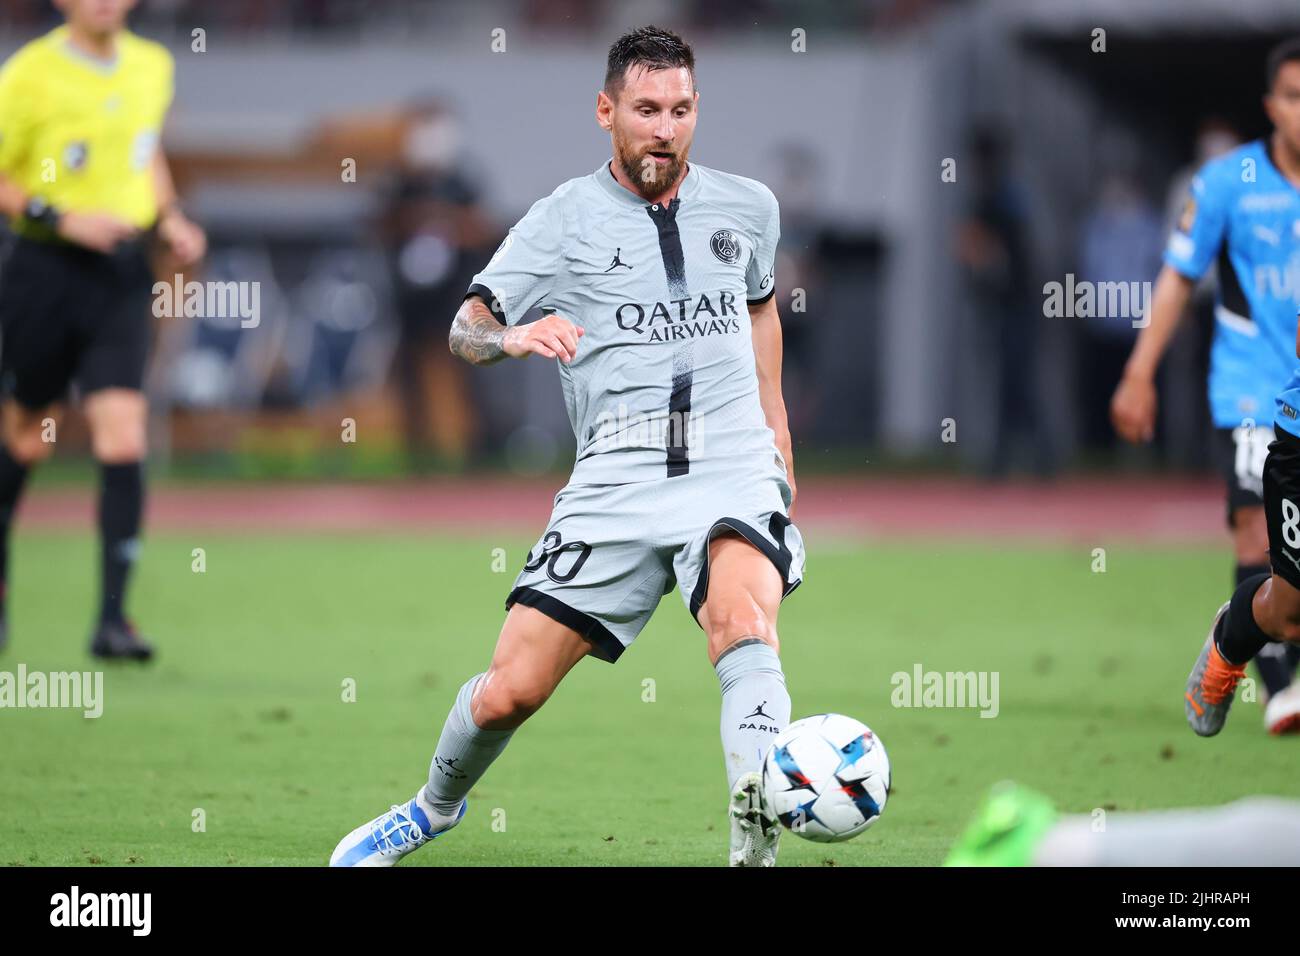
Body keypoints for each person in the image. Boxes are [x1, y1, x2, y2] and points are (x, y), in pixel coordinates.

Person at [332, 25, 803, 867]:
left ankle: (752, 855)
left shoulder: (750, 207)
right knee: (508, 693)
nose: (665, 127)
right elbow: (466, 327)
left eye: (682, 109)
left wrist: (777, 433)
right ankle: (432, 809)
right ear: (606, 110)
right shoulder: (560, 219)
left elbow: (761, 308)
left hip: (732, 467)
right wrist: (513, 339)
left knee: (741, 624)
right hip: (615, 479)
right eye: (647, 108)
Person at [0, 0, 205, 660]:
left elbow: (145, 153)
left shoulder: (152, 65)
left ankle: (113, 620)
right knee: (28, 434)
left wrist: (170, 216)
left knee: (123, 430)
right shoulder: (30, 72)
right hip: (46, 268)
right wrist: (58, 216)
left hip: (120, 273)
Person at [1113, 38, 1300, 734]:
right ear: (1270, 106)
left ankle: (1244, 631)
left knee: (1292, 594)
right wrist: (1140, 372)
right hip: (1257, 390)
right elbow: (1178, 275)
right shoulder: (1229, 182)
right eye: (1293, 96)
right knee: (1255, 527)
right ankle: (1278, 686)